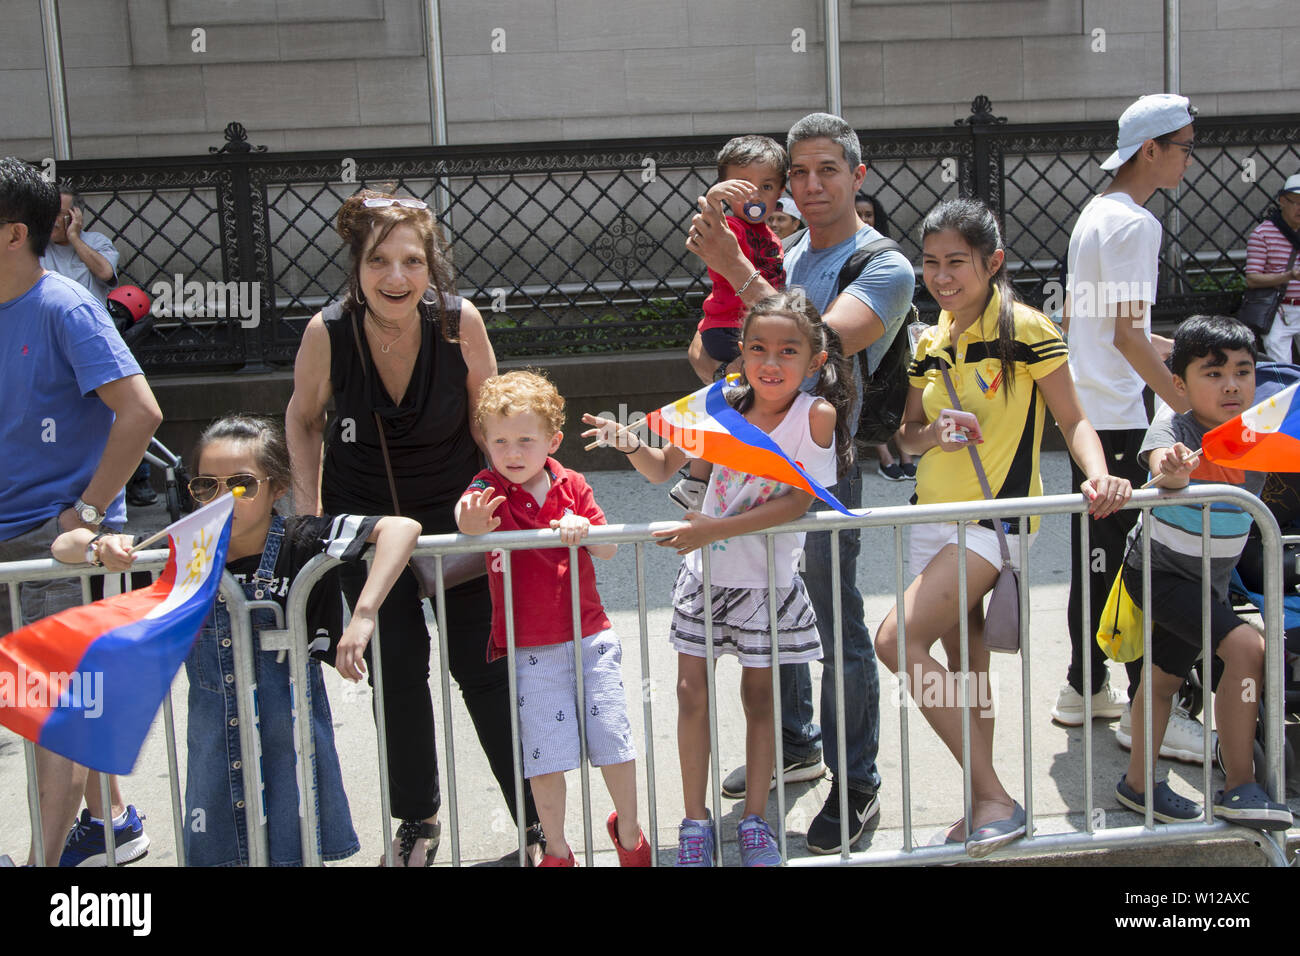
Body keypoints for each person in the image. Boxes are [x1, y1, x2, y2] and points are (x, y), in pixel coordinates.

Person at [286, 189, 541, 866]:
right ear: (356, 265)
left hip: (459, 520)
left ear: (431, 267)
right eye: (379, 261)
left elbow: (495, 422)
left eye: (412, 260)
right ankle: (417, 821)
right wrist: (311, 515)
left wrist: (520, 501)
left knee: (484, 670)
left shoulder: (460, 324)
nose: (396, 277)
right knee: (396, 674)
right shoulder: (328, 333)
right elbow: (303, 419)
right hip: (369, 530)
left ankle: (540, 824)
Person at [686, 112, 916, 854]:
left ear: (858, 176)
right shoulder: (780, 252)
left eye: (828, 171)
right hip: (754, 455)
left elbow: (819, 346)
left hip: (825, 464)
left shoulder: (883, 266)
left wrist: (735, 267)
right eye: (801, 173)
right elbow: (716, 347)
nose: (812, 186)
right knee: (765, 602)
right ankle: (794, 742)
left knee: (831, 618)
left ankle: (856, 783)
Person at [877, 198, 1131, 856]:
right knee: (966, 673)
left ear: (993, 263)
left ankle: (994, 796)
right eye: (930, 263)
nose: (941, 276)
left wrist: (1097, 473)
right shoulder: (927, 341)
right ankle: (982, 801)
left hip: (993, 524)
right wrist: (933, 434)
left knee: (894, 640)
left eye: (956, 262)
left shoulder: (1028, 329)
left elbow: (1073, 417)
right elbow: (904, 442)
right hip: (933, 519)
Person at [53, 415, 424, 864]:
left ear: (278, 486)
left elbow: (402, 528)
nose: (224, 497)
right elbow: (64, 544)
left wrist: (363, 616)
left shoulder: (302, 538)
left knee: (297, 851)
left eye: (242, 484)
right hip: (215, 745)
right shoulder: (182, 551)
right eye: (206, 486)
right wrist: (98, 548)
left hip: (292, 745)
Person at [585, 290, 854, 866]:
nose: (771, 362)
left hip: (769, 583)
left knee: (762, 701)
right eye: (757, 347)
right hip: (704, 580)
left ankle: (756, 821)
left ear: (816, 361)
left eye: (788, 350)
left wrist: (713, 529)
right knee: (689, 697)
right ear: (741, 354)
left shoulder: (817, 416)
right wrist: (630, 442)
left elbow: (799, 503)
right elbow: (663, 469)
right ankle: (695, 822)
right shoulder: (720, 406)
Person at [0, 157, 163, 867]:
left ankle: (46, 867)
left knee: (51, 715)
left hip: (50, 544)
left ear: (12, 234)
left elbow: (141, 412)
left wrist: (88, 515)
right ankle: (113, 820)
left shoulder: (64, 305)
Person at [1057, 94, 1203, 759]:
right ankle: (1148, 710)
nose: (1188, 158)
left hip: (1088, 409)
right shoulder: (1136, 224)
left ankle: (1083, 688)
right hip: (1117, 416)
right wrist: (1186, 400)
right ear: (1152, 150)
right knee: (1139, 565)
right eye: (1185, 146)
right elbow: (1127, 334)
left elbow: (1108, 328)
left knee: (1098, 562)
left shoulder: (1096, 214)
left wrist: (1186, 355)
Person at [456, 370, 651, 867]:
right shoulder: (487, 485)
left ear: (553, 440)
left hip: (591, 634)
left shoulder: (573, 484)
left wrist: (583, 526)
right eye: (500, 441)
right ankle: (558, 850)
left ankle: (629, 833)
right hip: (529, 646)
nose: (512, 452)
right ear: (485, 443)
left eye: (525, 440)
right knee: (546, 754)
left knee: (614, 739)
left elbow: (607, 548)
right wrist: (474, 519)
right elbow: (467, 517)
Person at [1116, 315, 1291, 831]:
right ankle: (1241, 787)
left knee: (1164, 680)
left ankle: (1137, 787)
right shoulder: (1176, 428)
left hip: (1208, 582)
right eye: (1213, 374)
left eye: (1243, 371)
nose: (1232, 384)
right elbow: (1159, 463)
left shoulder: (1260, 429)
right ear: (1179, 384)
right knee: (1246, 649)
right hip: (1157, 574)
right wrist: (1171, 469)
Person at [684, 135, 788, 387]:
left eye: (766, 187)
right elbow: (711, 222)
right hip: (728, 327)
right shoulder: (730, 227)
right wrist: (713, 199)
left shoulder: (771, 236)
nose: (754, 196)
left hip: (746, 325)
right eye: (742, 187)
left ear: (780, 192)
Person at [855, 190, 916, 482]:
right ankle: (885, 456)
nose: (865, 219)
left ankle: (905, 453)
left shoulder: (889, 252)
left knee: (896, 387)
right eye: (860, 214)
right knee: (869, 390)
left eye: (869, 214)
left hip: (892, 331)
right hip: (863, 335)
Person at [1244, 173, 1300, 364]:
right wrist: (1289, 276)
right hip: (1279, 309)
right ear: (1282, 201)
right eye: (1296, 202)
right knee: (1281, 365)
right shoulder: (1263, 234)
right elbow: (1252, 278)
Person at [40, 186, 119, 307]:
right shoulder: (37, 246)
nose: (50, 219)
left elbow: (105, 273)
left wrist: (73, 237)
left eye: (58, 213)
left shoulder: (97, 241)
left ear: (74, 217)